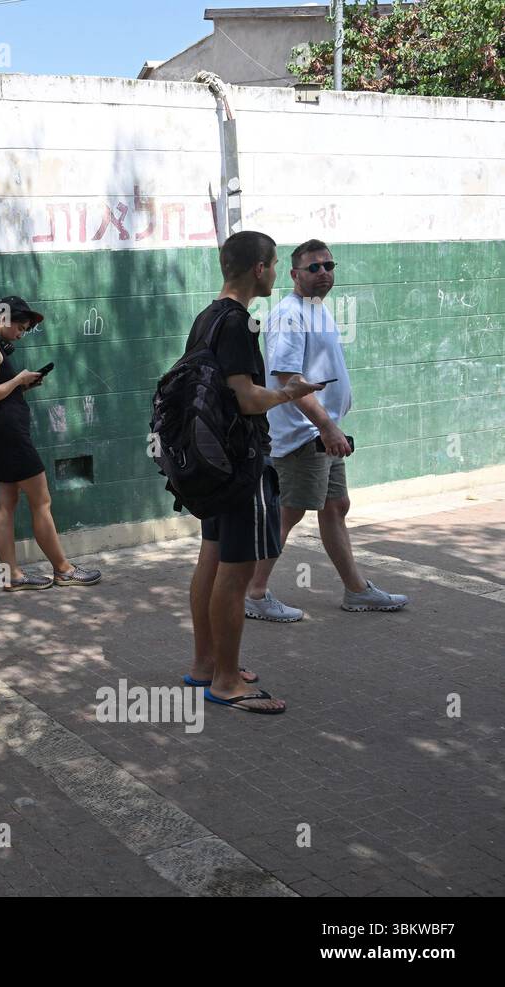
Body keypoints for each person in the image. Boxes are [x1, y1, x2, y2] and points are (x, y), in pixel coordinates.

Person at [183, 232, 323, 714]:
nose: (275, 269)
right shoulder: (239, 322)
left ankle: (206, 664)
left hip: (209, 464)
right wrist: (291, 393)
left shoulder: (207, 316)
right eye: (275, 263)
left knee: (211, 557)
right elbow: (245, 398)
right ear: (260, 269)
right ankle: (226, 681)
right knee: (236, 573)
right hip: (238, 464)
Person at [245, 239, 409, 620]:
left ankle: (357, 590)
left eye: (328, 266)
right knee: (290, 511)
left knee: (335, 506)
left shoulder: (317, 309)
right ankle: (254, 593)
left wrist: (330, 427)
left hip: (323, 431)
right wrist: (326, 427)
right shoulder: (289, 315)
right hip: (306, 433)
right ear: (294, 274)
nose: (323, 273)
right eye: (313, 267)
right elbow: (289, 379)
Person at [0, 295, 102, 591]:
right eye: (20, 326)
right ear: (4, 318)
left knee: (7, 504)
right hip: (10, 438)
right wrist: (18, 380)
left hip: (1, 434)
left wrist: (22, 387)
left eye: (26, 329)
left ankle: (11, 575)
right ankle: (64, 570)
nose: (22, 333)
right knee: (41, 502)